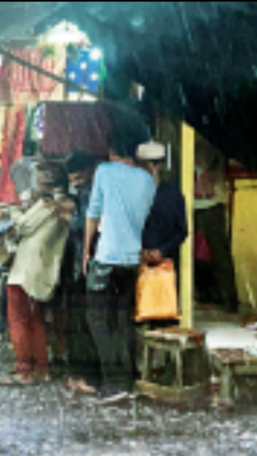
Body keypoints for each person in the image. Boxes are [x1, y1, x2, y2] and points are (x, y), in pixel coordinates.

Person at [82, 123, 158, 402]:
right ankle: (127, 380)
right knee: (123, 319)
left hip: (107, 257)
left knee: (98, 318)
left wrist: (86, 251)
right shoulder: (148, 180)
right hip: (132, 260)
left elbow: (93, 212)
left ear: (112, 149)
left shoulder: (104, 171)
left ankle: (113, 382)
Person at [0, 190, 75, 387]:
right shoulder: (66, 208)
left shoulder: (49, 203)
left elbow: (23, 226)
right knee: (35, 320)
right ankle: (41, 369)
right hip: (43, 271)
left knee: (17, 319)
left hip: (26, 271)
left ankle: (24, 370)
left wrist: (12, 210)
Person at [59, 150, 102, 395]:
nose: (74, 182)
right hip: (90, 264)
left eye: (77, 177)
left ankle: (87, 376)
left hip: (85, 265)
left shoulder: (89, 193)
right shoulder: (92, 189)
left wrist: (67, 215)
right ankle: (86, 374)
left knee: (84, 322)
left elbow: (84, 224)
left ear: (88, 171)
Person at [138, 140, 189, 318]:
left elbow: (181, 231)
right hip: (136, 260)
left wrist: (162, 251)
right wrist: (140, 251)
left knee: (163, 314)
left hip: (165, 263)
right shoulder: (131, 193)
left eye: (146, 166)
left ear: (158, 166)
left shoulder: (172, 195)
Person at [193, 145, 240, 313]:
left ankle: (228, 299)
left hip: (210, 204)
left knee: (219, 254)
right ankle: (224, 298)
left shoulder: (212, 145)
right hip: (201, 203)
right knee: (217, 254)